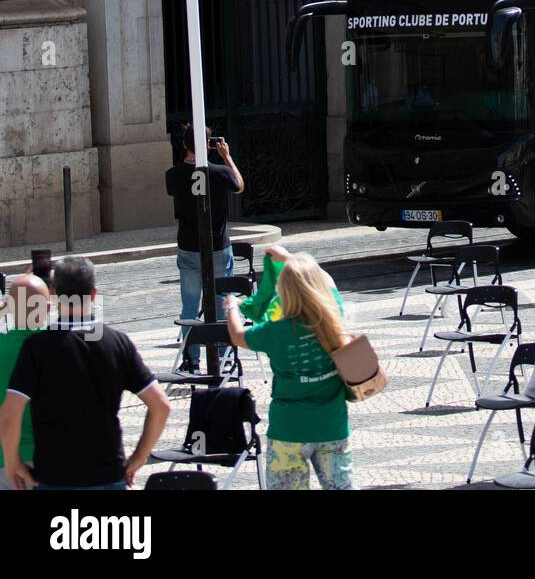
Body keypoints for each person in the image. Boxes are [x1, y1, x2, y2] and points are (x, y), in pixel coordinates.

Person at [0, 257, 171, 490]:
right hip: (108, 474)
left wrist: (13, 463)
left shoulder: (37, 347)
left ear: (55, 294)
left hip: (55, 475)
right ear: (93, 293)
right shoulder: (117, 342)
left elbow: (10, 414)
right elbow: (161, 405)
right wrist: (139, 457)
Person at [226, 248, 353, 490]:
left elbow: (237, 335)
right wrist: (289, 258)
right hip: (332, 425)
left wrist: (232, 306)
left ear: (284, 291)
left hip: (288, 429)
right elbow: (325, 278)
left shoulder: (276, 330)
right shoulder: (333, 312)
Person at [165, 122, 245, 371]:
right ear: (208, 145)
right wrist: (227, 157)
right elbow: (240, 185)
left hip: (189, 247)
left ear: (184, 144)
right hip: (217, 246)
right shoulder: (221, 172)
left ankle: (192, 359)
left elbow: (175, 188)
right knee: (222, 301)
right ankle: (223, 355)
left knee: (189, 305)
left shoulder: (173, 175)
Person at [0, 274, 48, 490]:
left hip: (3, 460)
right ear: (47, 308)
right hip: (51, 458)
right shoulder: (62, 346)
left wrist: (7, 306)